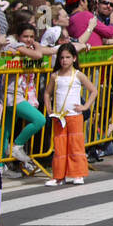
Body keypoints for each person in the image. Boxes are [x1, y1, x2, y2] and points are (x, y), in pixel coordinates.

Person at [0, 24, 52, 171]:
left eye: (32, 37)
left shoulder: (28, 48)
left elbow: (52, 50)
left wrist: (80, 46)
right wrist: (37, 45)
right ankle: (17, 146)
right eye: (26, 36)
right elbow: (38, 55)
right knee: (39, 119)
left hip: (18, 94)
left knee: (5, 131)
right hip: (12, 95)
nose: (29, 40)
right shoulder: (16, 45)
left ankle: (0, 165)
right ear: (18, 36)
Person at [43, 44, 96, 187]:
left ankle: (78, 173)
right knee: (59, 146)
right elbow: (47, 93)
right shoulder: (55, 76)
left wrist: (85, 107)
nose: (64, 60)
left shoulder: (78, 74)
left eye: (67, 57)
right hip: (59, 117)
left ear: (74, 58)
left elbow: (93, 91)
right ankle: (58, 176)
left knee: (76, 145)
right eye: (61, 58)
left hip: (74, 116)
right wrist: (49, 110)